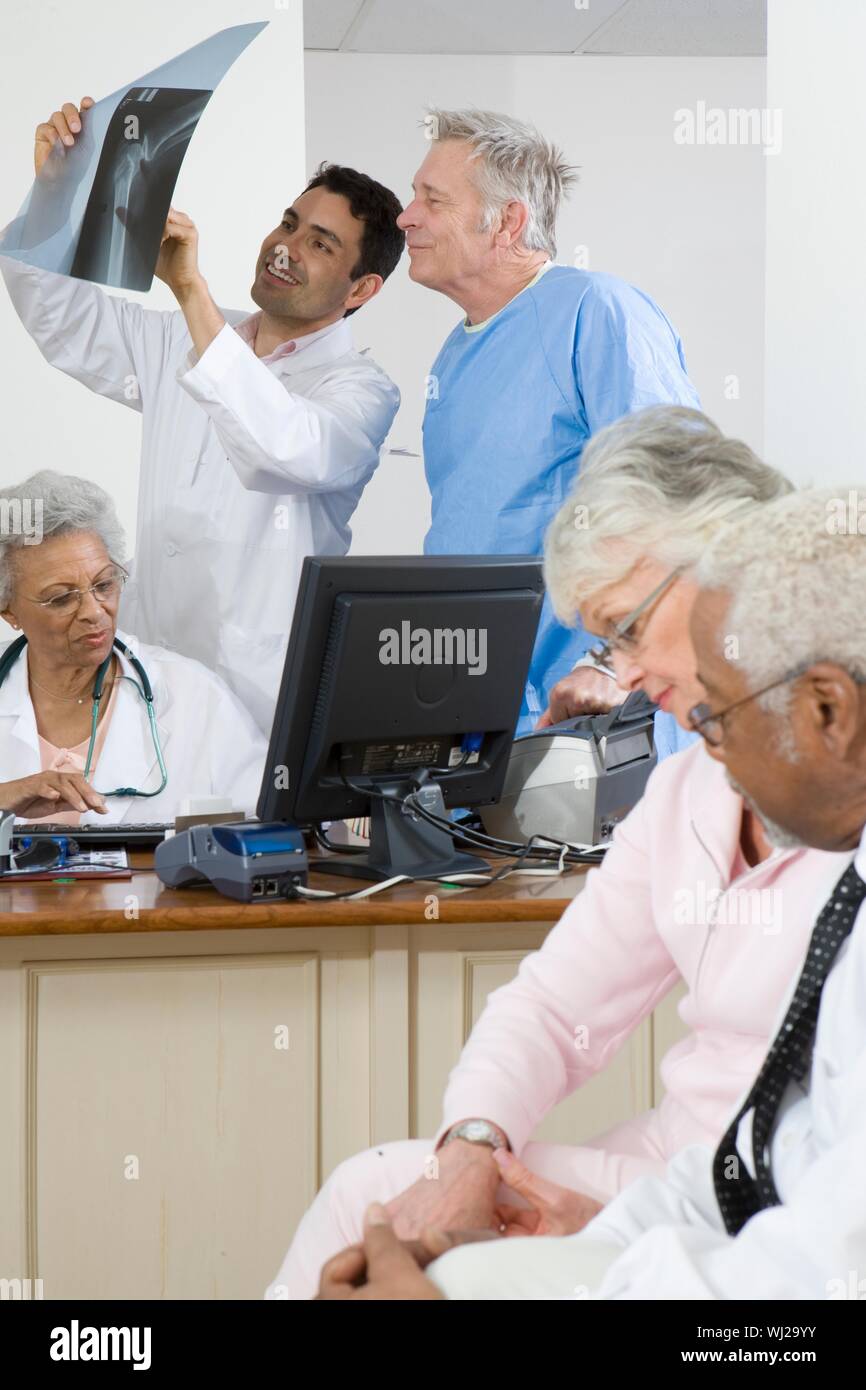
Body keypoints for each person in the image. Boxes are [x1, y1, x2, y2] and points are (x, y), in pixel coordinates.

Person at [265, 409, 850, 1299]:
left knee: (426, 1258)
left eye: (627, 626)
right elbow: (553, 1005)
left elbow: (803, 1250)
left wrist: (596, 1262)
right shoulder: (690, 792)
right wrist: (474, 1145)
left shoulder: (833, 817)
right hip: (692, 1183)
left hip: (753, 1217)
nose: (623, 672)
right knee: (378, 1201)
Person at [1, 96, 404, 733]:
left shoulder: (360, 392)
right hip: (147, 679)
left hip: (261, 703)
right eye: (289, 222)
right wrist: (55, 192)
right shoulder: (176, 341)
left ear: (361, 289)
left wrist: (191, 289)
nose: (286, 247)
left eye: (319, 243)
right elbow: (59, 320)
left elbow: (282, 447)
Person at [396, 108, 700, 752]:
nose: (406, 216)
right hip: (485, 715)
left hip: (593, 714)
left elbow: (680, 499)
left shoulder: (597, 311)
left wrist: (611, 662)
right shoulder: (456, 353)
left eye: (432, 199)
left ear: (507, 221)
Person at [0, 471, 265, 824]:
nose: (95, 612)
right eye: (62, 598)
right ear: (9, 610)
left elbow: (270, 821)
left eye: (104, 584)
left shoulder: (196, 697)